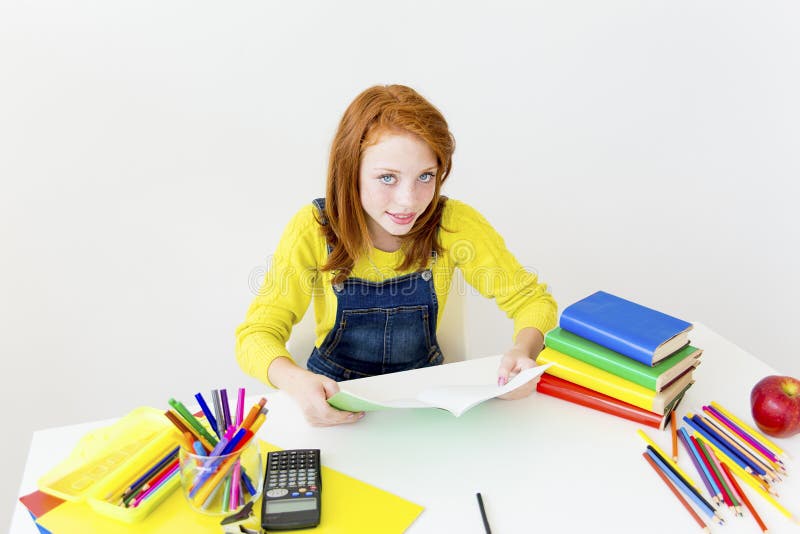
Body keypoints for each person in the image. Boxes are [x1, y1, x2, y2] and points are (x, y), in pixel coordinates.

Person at [235, 84, 557, 426]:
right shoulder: (313, 228)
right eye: (387, 178)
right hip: (336, 402)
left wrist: (524, 352)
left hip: (423, 400)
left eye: (425, 176)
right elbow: (256, 335)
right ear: (350, 172)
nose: (408, 200)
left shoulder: (454, 224)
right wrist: (296, 382)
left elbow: (533, 302)